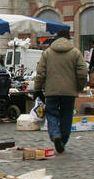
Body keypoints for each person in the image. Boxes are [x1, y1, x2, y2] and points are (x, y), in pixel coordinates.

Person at [33, 27, 89, 155]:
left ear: (56, 37)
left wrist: (37, 89)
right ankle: (63, 140)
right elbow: (82, 72)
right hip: (69, 92)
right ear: (69, 38)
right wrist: (80, 86)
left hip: (51, 91)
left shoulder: (47, 53)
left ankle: (55, 134)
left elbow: (40, 73)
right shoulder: (75, 52)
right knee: (66, 115)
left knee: (51, 113)